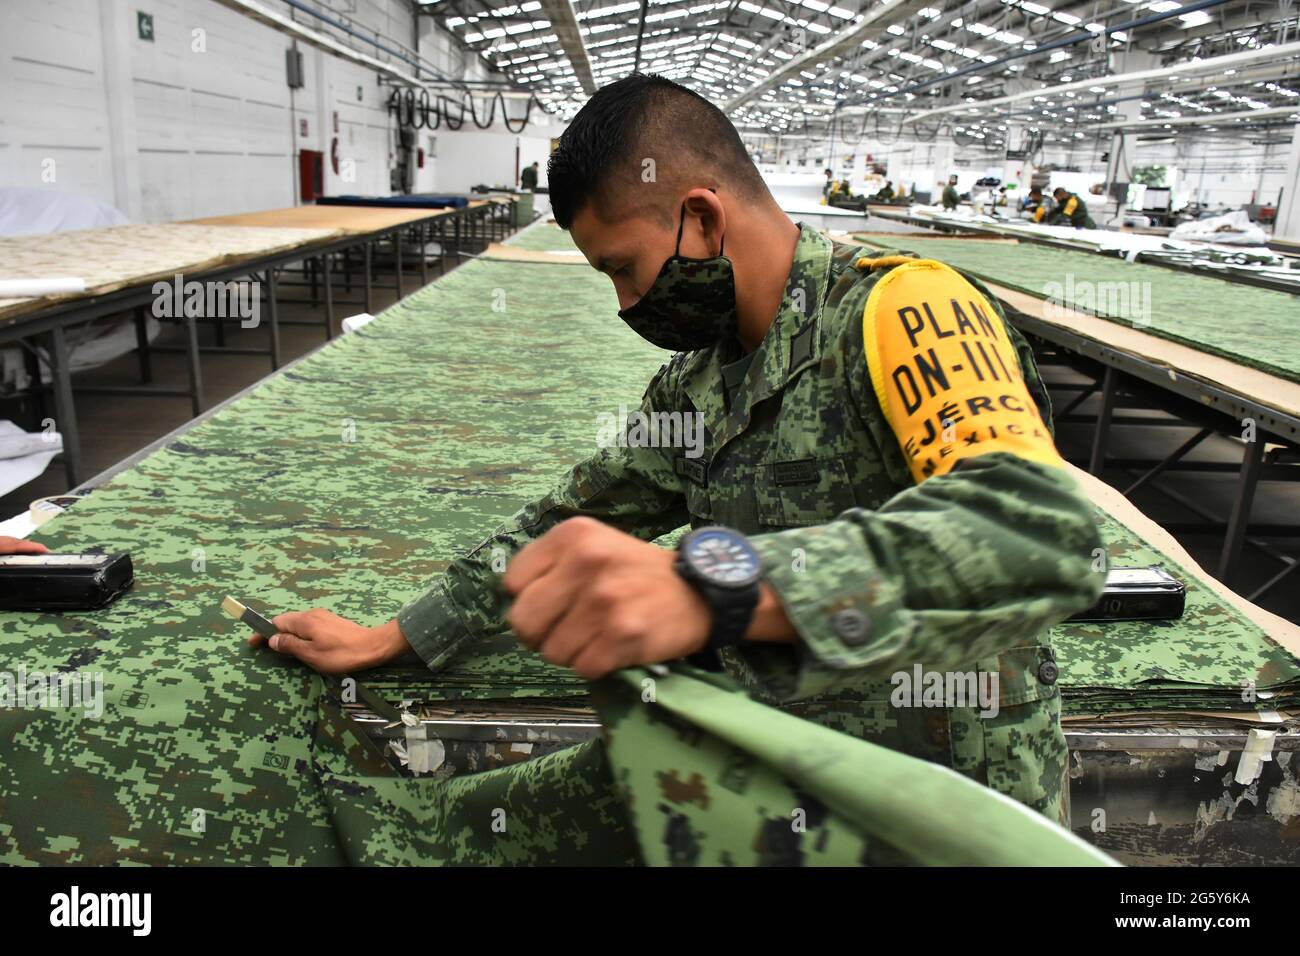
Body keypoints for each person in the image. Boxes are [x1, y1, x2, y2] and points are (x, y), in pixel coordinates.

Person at [253, 74, 1103, 840]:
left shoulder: (904, 308)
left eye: (625, 269)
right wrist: (398, 634)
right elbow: (571, 514)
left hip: (943, 814)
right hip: (779, 783)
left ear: (700, 216)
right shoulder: (699, 383)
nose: (627, 304)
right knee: (453, 831)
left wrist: (716, 586)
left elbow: (1037, 534)